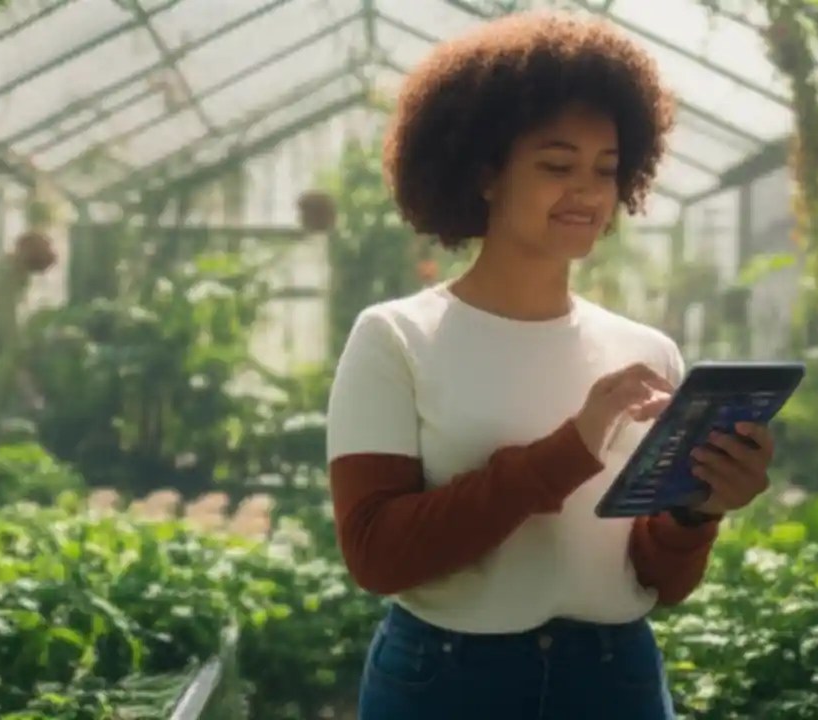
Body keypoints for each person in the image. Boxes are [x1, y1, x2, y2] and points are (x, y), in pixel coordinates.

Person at [325, 10, 777, 720]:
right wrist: (572, 446)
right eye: (557, 165)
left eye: (606, 168)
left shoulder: (647, 353)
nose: (589, 192)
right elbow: (376, 555)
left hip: (615, 676)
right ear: (483, 173)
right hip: (447, 683)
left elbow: (653, 577)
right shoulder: (395, 338)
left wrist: (698, 511)